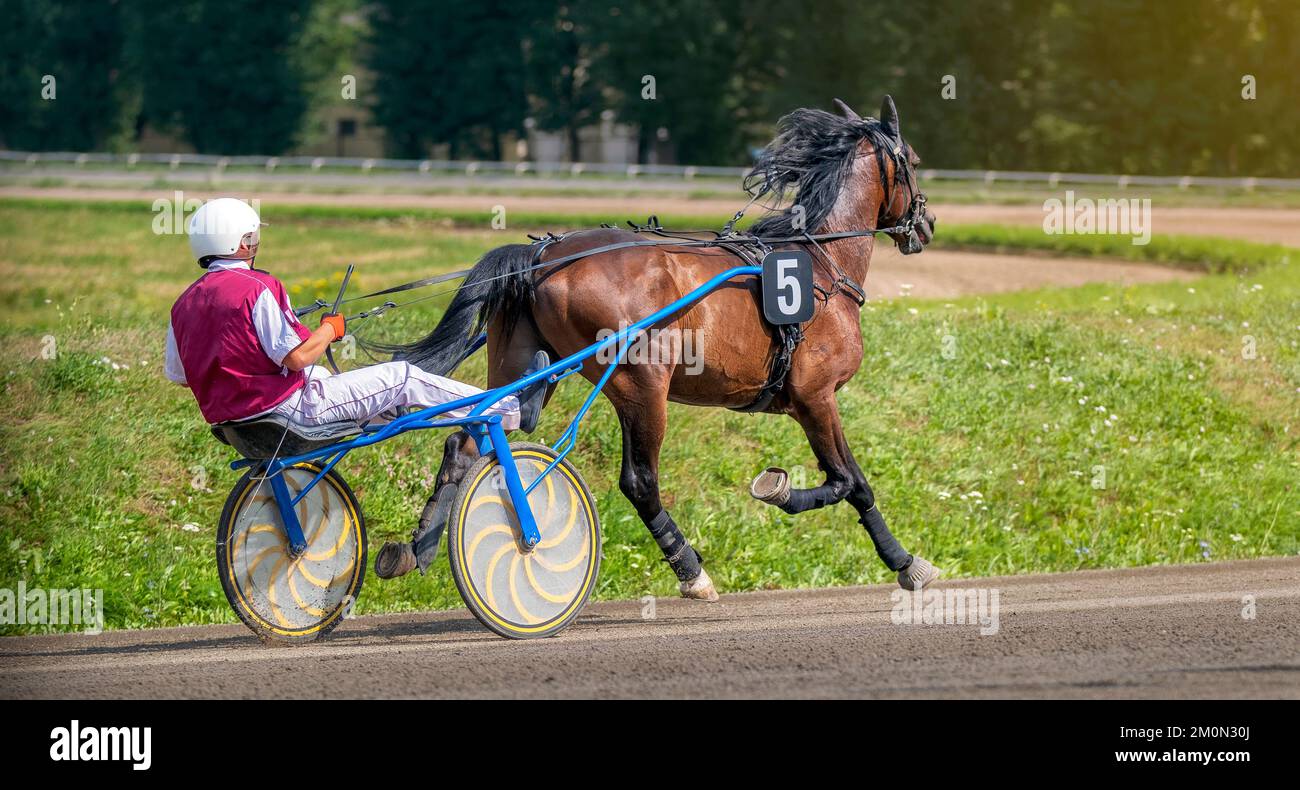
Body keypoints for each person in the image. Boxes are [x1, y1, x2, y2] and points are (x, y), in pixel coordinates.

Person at [165, 198, 547, 575]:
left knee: (335, 382)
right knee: (402, 377)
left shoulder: (182, 305)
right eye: (252, 238)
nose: (255, 246)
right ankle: (508, 408)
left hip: (239, 427)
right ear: (243, 243)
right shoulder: (257, 287)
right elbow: (297, 358)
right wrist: (330, 330)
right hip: (291, 413)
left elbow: (182, 377)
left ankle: (390, 411)